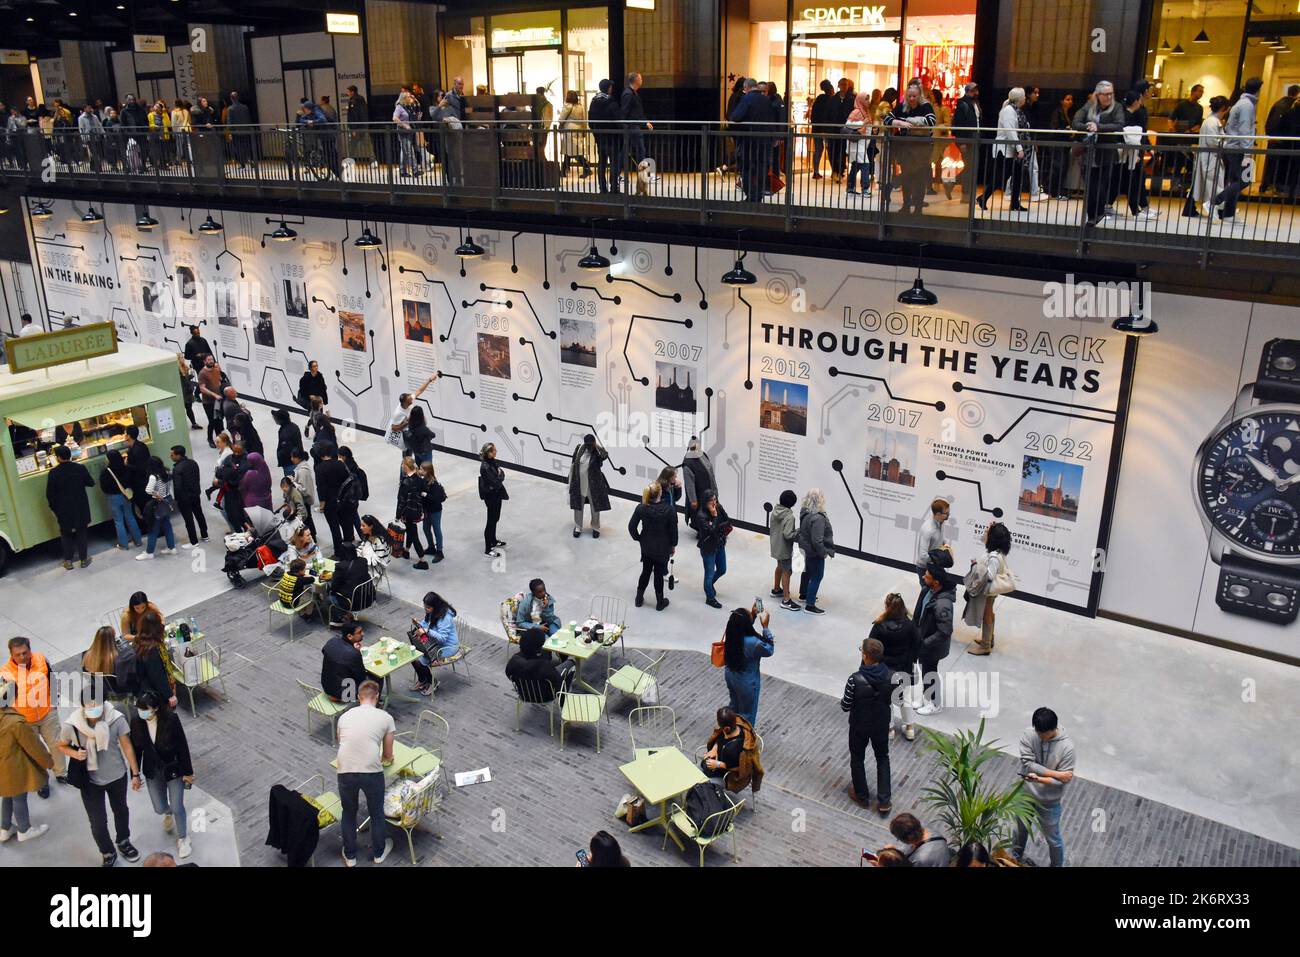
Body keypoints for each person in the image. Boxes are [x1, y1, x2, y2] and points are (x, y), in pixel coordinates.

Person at [57, 689, 142, 867]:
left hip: (117, 775)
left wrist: (135, 773)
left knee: (121, 810)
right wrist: (74, 753)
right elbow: (61, 745)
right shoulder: (73, 724)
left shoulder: (115, 718)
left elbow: (127, 747)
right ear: (82, 706)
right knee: (97, 821)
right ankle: (107, 851)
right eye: (89, 706)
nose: (93, 710)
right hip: (90, 781)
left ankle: (123, 841)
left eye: (97, 706)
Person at [334, 679, 395, 867]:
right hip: (371, 771)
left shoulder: (344, 717)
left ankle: (350, 856)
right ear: (376, 697)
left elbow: (341, 741)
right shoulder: (385, 718)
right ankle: (378, 852)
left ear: (359, 697)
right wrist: (387, 759)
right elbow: (387, 755)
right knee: (376, 812)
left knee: (349, 812)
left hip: (345, 769)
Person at [128, 691, 194, 860]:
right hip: (152, 770)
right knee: (159, 807)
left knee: (177, 805)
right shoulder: (136, 721)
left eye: (146, 709)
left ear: (156, 708)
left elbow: (182, 746)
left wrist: (188, 772)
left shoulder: (171, 720)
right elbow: (136, 750)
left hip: (172, 768)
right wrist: (134, 775)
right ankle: (168, 813)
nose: (142, 712)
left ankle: (183, 837)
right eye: (139, 709)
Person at [1012, 706, 1075, 867]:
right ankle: (1014, 858)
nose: (1039, 736)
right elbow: (1028, 762)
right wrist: (1056, 773)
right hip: (1026, 794)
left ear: (1053, 729)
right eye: (1037, 731)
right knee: (1019, 830)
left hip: (1049, 802)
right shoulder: (1029, 734)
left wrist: (1040, 779)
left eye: (1042, 734)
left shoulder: (1067, 749)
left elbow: (1062, 781)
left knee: (1053, 839)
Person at [1, 637, 65, 795]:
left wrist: (54, 704)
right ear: (11, 654)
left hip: (47, 713)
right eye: (18, 655)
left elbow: (53, 680)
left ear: (30, 649)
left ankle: (61, 773)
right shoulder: (5, 673)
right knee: (34, 751)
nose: (22, 657)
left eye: (25, 652)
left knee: (57, 744)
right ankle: (42, 782)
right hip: (25, 720)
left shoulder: (42, 660)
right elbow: (4, 701)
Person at [841, 637, 893, 814]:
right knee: (882, 757)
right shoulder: (892, 676)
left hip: (859, 724)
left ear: (865, 656)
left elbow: (845, 705)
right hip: (881, 723)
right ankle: (884, 800)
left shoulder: (854, 679)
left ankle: (862, 795)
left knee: (857, 758)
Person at [0, 678, 52, 844]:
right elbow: (34, 746)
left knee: (7, 796)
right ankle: (24, 829)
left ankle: (5, 828)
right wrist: (48, 762)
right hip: (15, 767)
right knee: (19, 798)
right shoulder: (15, 722)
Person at [1072, 80, 1128, 226]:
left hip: (1106, 152)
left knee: (1101, 186)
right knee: (1090, 187)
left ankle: (1098, 213)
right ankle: (1092, 216)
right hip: (1089, 153)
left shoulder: (1117, 107)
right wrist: (1087, 126)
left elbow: (1119, 125)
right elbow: (1076, 122)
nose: (1109, 97)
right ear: (1098, 95)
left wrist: (1099, 127)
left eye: (1111, 94)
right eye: (1106, 94)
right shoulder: (1089, 106)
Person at [1210, 77, 1262, 227]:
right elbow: (1245, 129)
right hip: (1238, 148)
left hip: (1233, 147)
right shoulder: (1247, 105)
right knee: (1244, 179)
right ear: (1258, 90)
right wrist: (1248, 151)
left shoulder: (1241, 103)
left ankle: (1228, 213)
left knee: (1235, 180)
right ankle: (1215, 201)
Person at [869, 593, 919, 741]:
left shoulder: (879, 626)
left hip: (884, 669)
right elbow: (917, 645)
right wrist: (910, 662)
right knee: (905, 698)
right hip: (904, 667)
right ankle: (909, 728)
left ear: (887, 607)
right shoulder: (910, 625)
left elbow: (871, 647)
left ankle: (889, 728)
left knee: (886, 699)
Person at [913, 554, 955, 715]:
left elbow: (944, 632)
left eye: (927, 576)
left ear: (936, 582)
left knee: (930, 672)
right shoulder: (927, 591)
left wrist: (925, 643)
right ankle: (926, 697)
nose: (923, 576)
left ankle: (935, 704)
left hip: (933, 646)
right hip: (923, 641)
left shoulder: (943, 604)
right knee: (925, 671)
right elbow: (919, 614)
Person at [886, 81, 936, 214]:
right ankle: (906, 205)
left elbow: (932, 121)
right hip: (905, 147)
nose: (912, 99)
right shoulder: (902, 106)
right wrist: (898, 122)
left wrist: (912, 121)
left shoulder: (926, 106)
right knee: (908, 178)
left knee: (919, 177)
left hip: (922, 147)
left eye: (914, 96)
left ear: (919, 95)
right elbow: (887, 119)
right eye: (909, 96)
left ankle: (918, 207)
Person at [965, 520, 1012, 656]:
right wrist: (989, 528)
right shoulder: (998, 552)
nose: (986, 534)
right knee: (989, 613)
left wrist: (975, 566)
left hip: (987, 591)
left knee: (986, 615)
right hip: (990, 591)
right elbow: (983, 539)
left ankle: (986, 646)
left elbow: (989, 576)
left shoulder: (993, 557)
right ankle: (989, 639)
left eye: (988, 532)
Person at [44, 444, 95, 570]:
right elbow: (91, 482)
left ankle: (68, 561)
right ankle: (84, 560)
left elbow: (50, 494)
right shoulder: (80, 468)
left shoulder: (53, 473)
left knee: (66, 534)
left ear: (59, 458)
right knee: (81, 532)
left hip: (63, 510)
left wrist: (53, 508)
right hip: (80, 507)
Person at [722, 605, 774, 727]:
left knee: (734, 705)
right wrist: (765, 628)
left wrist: (753, 615)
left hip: (731, 675)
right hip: (747, 682)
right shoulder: (753, 643)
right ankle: (744, 740)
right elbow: (769, 649)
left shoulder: (732, 634)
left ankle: (730, 731)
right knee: (747, 713)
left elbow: (742, 627)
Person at [628, 482, 676, 610]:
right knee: (658, 574)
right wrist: (673, 545)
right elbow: (673, 531)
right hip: (663, 547)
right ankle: (660, 602)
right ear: (660, 493)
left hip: (647, 546)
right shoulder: (669, 510)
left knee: (646, 571)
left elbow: (631, 527)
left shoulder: (641, 508)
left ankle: (639, 599)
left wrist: (639, 538)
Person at [978, 87, 1027, 212]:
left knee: (1016, 176)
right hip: (1005, 150)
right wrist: (1019, 148)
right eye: (1024, 96)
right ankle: (983, 197)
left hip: (1011, 150)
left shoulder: (1015, 111)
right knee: (1001, 177)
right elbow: (1010, 131)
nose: (1025, 98)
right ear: (1019, 99)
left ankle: (1015, 203)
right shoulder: (1009, 111)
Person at [728, 78, 776, 203]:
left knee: (746, 168)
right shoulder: (766, 100)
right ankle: (759, 194)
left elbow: (736, 116)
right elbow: (772, 119)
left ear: (746, 87)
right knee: (761, 168)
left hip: (749, 140)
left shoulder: (747, 98)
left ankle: (751, 194)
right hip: (765, 140)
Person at [700, 706, 763, 795]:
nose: (718, 727)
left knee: (701, 777)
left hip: (729, 776)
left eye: (720, 726)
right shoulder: (736, 725)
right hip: (721, 759)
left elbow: (738, 767)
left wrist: (717, 764)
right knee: (704, 764)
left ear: (726, 729)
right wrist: (715, 748)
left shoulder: (733, 750)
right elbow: (721, 738)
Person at [1186, 96, 1231, 218]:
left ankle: (1215, 209)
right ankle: (1214, 209)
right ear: (1224, 109)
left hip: (1211, 157)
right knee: (1213, 185)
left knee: (1212, 184)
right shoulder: (1212, 122)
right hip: (1211, 157)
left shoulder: (1211, 121)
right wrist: (1228, 143)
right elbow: (1213, 141)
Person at [410, 591, 459, 695]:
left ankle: (433, 682)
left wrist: (427, 631)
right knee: (413, 656)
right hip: (434, 643)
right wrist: (418, 624)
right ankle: (423, 680)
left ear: (435, 606)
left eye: (428, 608)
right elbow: (425, 623)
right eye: (425, 607)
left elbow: (442, 638)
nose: (426, 610)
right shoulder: (432, 612)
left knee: (421, 660)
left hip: (447, 646)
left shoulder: (446, 618)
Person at [505, 626, 574, 699]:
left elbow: (509, 675)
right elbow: (558, 683)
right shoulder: (544, 665)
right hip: (545, 696)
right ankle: (565, 698)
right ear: (539, 647)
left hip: (524, 694)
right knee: (571, 662)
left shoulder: (513, 660)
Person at [796, 488, 834, 614]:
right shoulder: (818, 518)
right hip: (814, 552)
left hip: (805, 548)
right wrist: (823, 552)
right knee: (817, 576)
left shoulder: (804, 512)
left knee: (807, 571)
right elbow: (817, 541)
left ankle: (804, 594)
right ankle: (810, 605)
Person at [133, 612, 179, 711]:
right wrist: (170, 695)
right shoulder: (152, 649)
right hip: (156, 694)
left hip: (145, 689)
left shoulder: (138, 641)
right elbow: (158, 675)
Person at [315, 443, 356, 553]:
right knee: (346, 524)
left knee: (334, 527)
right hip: (343, 500)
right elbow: (347, 481)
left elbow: (321, 489)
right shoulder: (340, 464)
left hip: (329, 503)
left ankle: (338, 550)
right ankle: (349, 547)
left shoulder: (319, 468)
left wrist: (322, 506)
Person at [136, 456, 178, 560]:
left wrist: (156, 494)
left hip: (158, 503)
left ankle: (149, 552)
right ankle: (171, 548)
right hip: (167, 500)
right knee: (167, 525)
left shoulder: (153, 476)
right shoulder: (167, 471)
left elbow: (148, 490)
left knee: (153, 528)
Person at [569, 433, 610, 538]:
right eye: (587, 444)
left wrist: (597, 447)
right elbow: (573, 464)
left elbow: (605, 455)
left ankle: (595, 528)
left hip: (594, 485)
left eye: (591, 444)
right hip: (579, 483)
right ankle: (578, 527)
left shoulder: (597, 452)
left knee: (595, 508)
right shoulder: (579, 449)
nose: (589, 446)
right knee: (578, 507)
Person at [696, 491, 732, 608]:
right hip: (708, 548)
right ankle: (710, 597)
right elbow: (711, 531)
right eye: (711, 500)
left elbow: (727, 521)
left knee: (722, 569)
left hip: (719, 543)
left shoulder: (718, 507)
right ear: (705, 501)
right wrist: (715, 517)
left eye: (715, 499)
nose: (714, 502)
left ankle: (709, 586)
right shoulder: (701, 515)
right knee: (709, 574)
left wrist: (717, 526)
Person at [386, 374, 439, 456]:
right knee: (408, 456)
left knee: (414, 452)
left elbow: (420, 390)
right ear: (404, 402)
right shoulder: (397, 413)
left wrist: (429, 380)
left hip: (415, 431)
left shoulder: (408, 401)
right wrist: (407, 422)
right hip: (408, 435)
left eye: (410, 397)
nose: (412, 398)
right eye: (410, 399)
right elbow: (394, 428)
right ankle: (406, 466)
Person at [321, 619, 370, 702]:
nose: (362, 634)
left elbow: (325, 651)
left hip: (327, 685)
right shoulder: (353, 654)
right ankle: (374, 704)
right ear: (350, 636)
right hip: (344, 692)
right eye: (359, 632)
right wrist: (356, 653)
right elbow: (361, 677)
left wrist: (351, 649)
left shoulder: (332, 641)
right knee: (376, 678)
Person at [169, 446, 207, 547]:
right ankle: (205, 535)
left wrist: (176, 500)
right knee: (199, 514)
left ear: (178, 455)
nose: (170, 456)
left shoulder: (177, 469)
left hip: (184, 498)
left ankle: (194, 541)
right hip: (195, 494)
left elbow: (177, 487)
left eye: (172, 454)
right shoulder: (193, 463)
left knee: (188, 519)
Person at [587, 79, 621, 194]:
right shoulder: (612, 102)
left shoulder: (594, 101)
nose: (612, 89)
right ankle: (614, 188)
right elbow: (618, 121)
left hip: (600, 138)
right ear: (608, 88)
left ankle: (602, 187)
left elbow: (590, 121)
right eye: (611, 87)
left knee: (601, 163)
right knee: (614, 163)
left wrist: (596, 133)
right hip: (612, 138)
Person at [397, 457, 431, 569]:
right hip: (417, 510)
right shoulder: (419, 479)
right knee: (411, 529)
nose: (402, 467)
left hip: (407, 512)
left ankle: (422, 560)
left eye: (402, 465)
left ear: (406, 467)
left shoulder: (405, 482)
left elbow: (401, 501)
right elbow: (425, 490)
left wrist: (398, 515)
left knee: (414, 535)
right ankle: (406, 551)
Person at [620, 72, 654, 183]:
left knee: (637, 151)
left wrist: (644, 122)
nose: (642, 80)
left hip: (634, 127)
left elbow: (636, 112)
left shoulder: (632, 93)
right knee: (638, 151)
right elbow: (625, 113)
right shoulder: (628, 94)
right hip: (631, 128)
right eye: (640, 78)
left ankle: (643, 175)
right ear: (635, 80)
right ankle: (643, 175)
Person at [769, 489, 799, 610]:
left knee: (779, 567)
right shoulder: (789, 516)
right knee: (787, 571)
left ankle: (776, 589)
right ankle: (786, 599)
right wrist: (798, 532)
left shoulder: (775, 511)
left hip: (775, 546)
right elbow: (788, 534)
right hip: (784, 549)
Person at [479, 443, 508, 558]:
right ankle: (487, 548)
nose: (496, 451)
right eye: (494, 450)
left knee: (495, 518)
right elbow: (496, 482)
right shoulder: (485, 467)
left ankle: (493, 540)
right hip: (491, 496)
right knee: (490, 521)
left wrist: (500, 476)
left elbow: (502, 474)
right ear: (489, 453)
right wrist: (500, 476)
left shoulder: (493, 462)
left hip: (497, 495)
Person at [681, 435, 717, 528]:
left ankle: (709, 529)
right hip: (699, 495)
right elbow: (689, 484)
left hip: (709, 490)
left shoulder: (703, 454)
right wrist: (693, 500)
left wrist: (715, 491)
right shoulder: (688, 463)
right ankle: (701, 531)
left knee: (710, 512)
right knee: (700, 515)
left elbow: (710, 472)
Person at [844, 91, 874, 196]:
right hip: (857, 144)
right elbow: (848, 124)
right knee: (865, 164)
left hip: (861, 144)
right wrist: (863, 123)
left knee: (856, 166)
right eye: (866, 99)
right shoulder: (857, 111)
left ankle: (850, 188)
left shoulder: (865, 111)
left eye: (868, 99)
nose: (868, 101)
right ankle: (865, 189)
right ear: (860, 100)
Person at [915, 498, 950, 583]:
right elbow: (923, 555)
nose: (949, 515)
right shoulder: (928, 530)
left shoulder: (941, 522)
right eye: (946, 513)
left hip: (935, 565)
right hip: (925, 568)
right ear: (938, 514)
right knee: (927, 593)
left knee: (937, 591)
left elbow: (940, 538)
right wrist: (937, 560)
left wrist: (946, 546)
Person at [419, 462, 446, 563]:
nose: (420, 471)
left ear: (426, 471)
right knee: (426, 528)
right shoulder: (423, 480)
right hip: (426, 510)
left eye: (421, 469)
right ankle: (431, 547)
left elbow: (436, 499)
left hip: (435, 511)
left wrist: (425, 495)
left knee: (436, 530)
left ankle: (439, 551)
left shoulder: (434, 484)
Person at [558, 89, 590, 176]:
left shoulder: (567, 106)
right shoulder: (580, 106)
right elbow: (583, 120)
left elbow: (561, 118)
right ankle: (563, 170)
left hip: (569, 130)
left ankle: (586, 168)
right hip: (578, 129)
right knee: (571, 151)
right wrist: (584, 131)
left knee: (573, 152)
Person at [809, 79, 837, 179]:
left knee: (818, 150)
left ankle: (815, 171)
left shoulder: (819, 99)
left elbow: (814, 115)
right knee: (830, 150)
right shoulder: (832, 100)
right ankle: (834, 171)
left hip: (817, 128)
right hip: (828, 129)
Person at [196, 354, 225, 448]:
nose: (211, 361)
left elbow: (220, 380)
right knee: (212, 421)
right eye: (209, 360)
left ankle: (219, 438)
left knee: (219, 420)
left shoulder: (216, 369)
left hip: (218, 400)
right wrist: (214, 395)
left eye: (212, 359)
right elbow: (202, 388)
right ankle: (209, 438)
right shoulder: (202, 373)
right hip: (208, 402)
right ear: (205, 361)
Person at [272, 409, 302, 478]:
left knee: (290, 481)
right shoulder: (294, 426)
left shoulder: (285, 433)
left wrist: (280, 455)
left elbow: (287, 450)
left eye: (276, 418)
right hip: (297, 458)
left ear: (281, 420)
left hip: (289, 462)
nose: (274, 419)